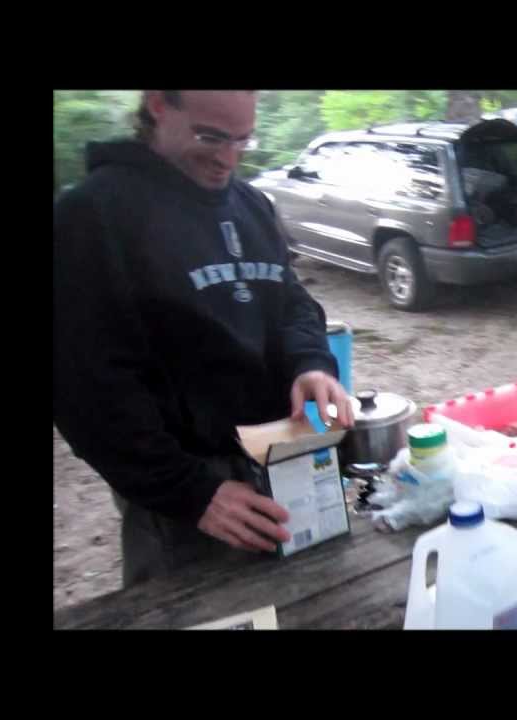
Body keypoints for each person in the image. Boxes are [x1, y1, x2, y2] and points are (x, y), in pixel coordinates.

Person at [54, 90, 355, 587]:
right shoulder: (93, 215)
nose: (227, 158)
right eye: (210, 137)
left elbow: (291, 303)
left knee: (312, 602)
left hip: (284, 459)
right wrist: (190, 491)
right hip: (189, 496)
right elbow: (84, 384)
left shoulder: (252, 204)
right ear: (157, 105)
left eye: (243, 140)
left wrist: (311, 363)